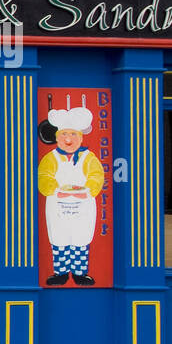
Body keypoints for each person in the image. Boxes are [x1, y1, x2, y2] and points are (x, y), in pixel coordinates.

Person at [38, 106, 104, 286]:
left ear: (80, 137)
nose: (68, 139)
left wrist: (87, 190)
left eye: (73, 135)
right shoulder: (50, 158)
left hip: (82, 207)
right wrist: (55, 189)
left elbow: (97, 176)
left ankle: (79, 273)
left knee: (80, 240)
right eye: (64, 135)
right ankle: (60, 272)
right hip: (58, 206)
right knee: (59, 239)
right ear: (57, 137)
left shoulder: (88, 158)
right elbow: (44, 177)